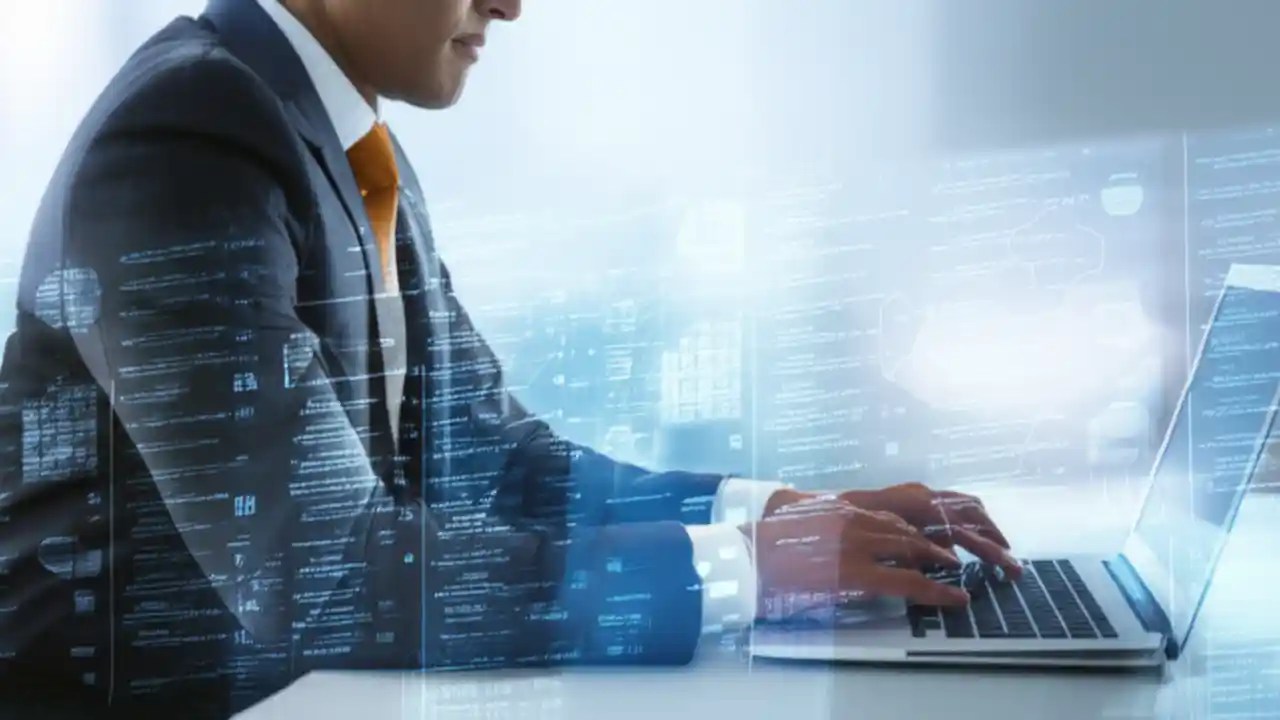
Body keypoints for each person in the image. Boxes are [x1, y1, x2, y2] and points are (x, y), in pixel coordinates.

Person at [0, 0, 1019, 716]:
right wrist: (748, 569)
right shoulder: (184, 143)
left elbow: (494, 460)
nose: (511, 5)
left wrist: (776, 514)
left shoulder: (336, 141)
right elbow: (321, 574)